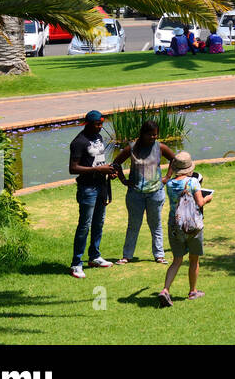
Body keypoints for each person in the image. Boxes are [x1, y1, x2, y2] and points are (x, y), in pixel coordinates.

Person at [112, 120, 177, 265]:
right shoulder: (132, 148)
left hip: (155, 192)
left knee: (156, 224)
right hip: (135, 194)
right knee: (133, 225)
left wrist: (167, 177)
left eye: (155, 135)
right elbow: (116, 163)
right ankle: (127, 256)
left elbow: (174, 159)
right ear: (142, 134)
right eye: (150, 135)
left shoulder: (160, 147)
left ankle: (159, 255)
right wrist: (123, 180)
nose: (153, 137)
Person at [158, 151, 213, 307]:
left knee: (176, 260)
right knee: (194, 260)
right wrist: (208, 198)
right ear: (189, 168)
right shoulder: (193, 183)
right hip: (193, 226)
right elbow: (200, 203)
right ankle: (193, 291)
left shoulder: (169, 184)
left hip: (175, 226)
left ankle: (165, 290)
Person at [68, 109, 118, 278]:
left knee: (99, 223)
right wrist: (98, 169)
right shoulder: (78, 142)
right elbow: (73, 168)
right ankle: (76, 263)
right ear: (88, 124)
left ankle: (94, 256)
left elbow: (99, 161)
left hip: (101, 185)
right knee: (84, 225)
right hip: (87, 188)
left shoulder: (99, 137)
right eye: (97, 124)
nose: (100, 127)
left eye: (101, 124)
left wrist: (108, 171)